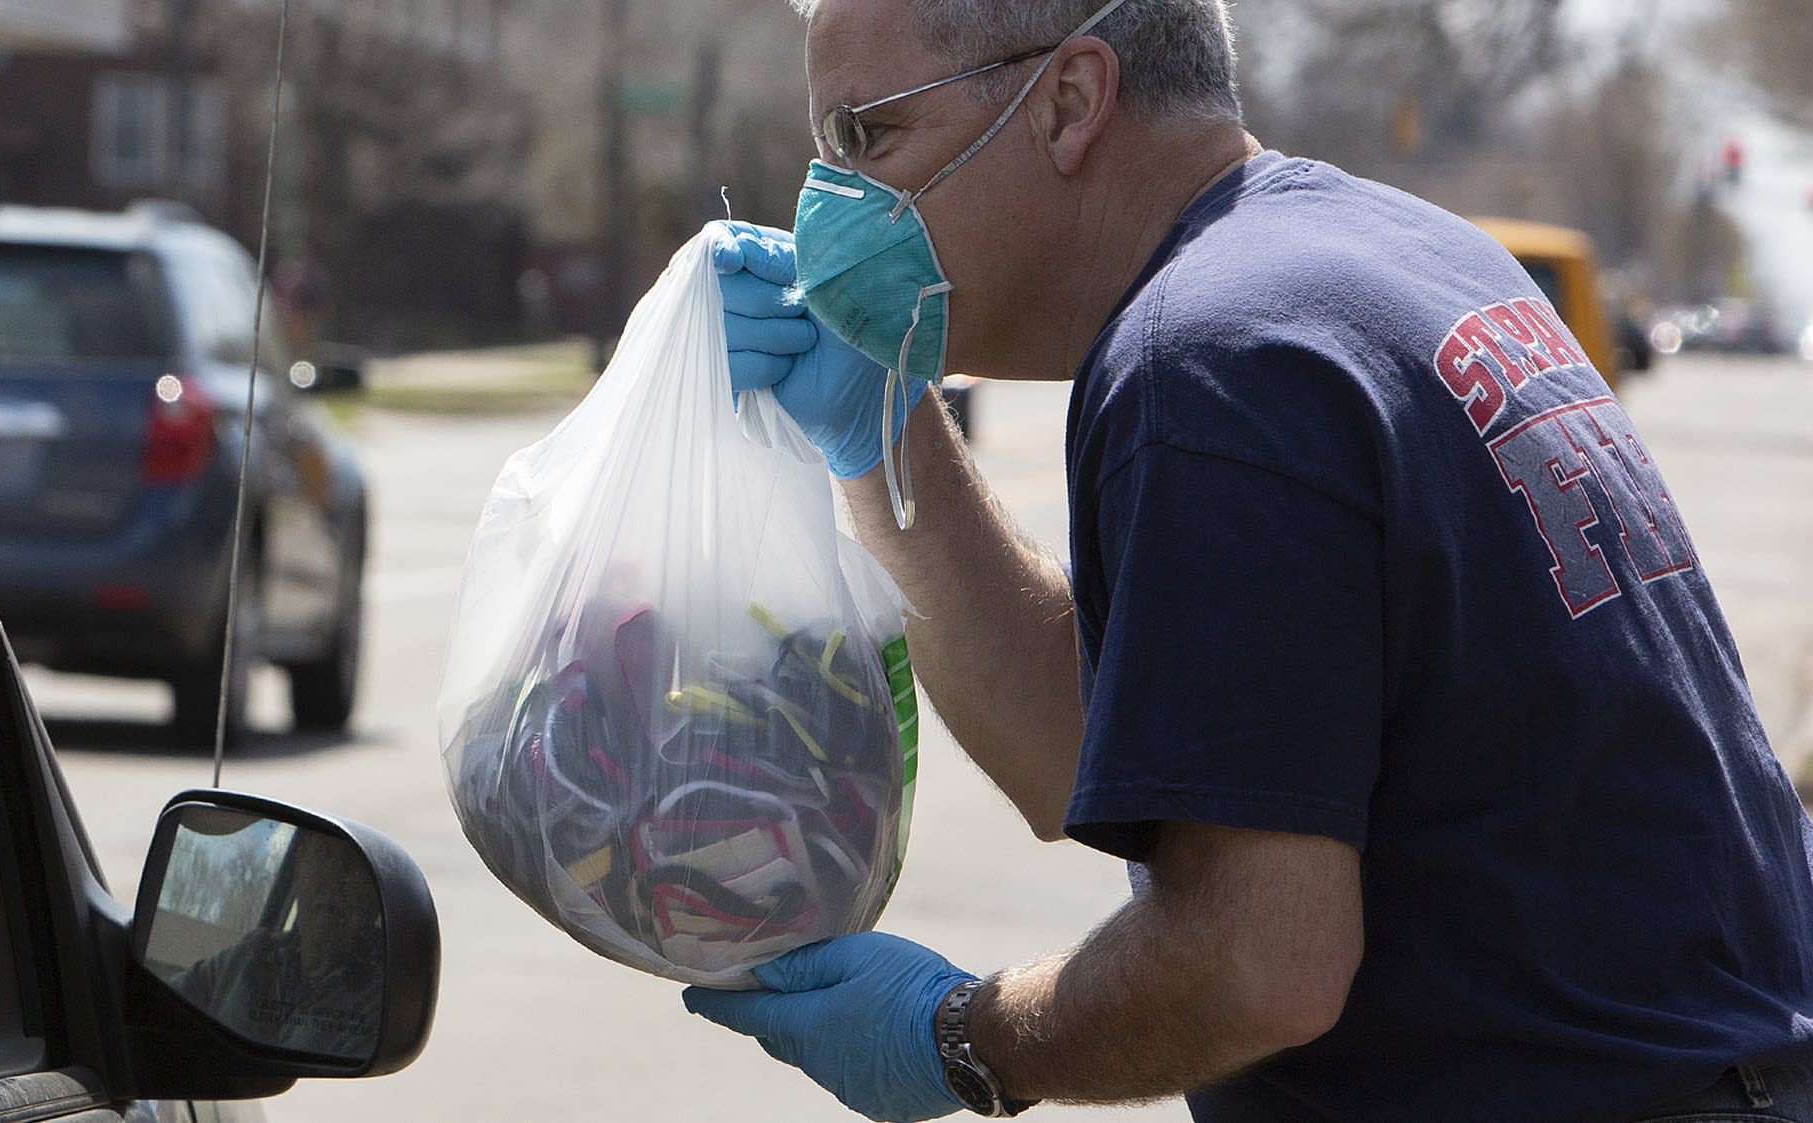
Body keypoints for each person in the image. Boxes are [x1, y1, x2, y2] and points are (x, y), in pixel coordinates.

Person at [682, 0, 1813, 1120]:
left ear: (1068, 103)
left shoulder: (1210, 361)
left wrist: (959, 1039)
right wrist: (884, 439)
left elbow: (1254, 968)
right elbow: (1104, 745)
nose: (832, 200)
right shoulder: (1390, 256)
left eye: (866, 139)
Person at [170, 838, 384, 1060]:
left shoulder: (377, 1003)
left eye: (355, 866)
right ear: (297, 868)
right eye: (324, 855)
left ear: (377, 897)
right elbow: (166, 1002)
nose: (334, 878)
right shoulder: (252, 953)